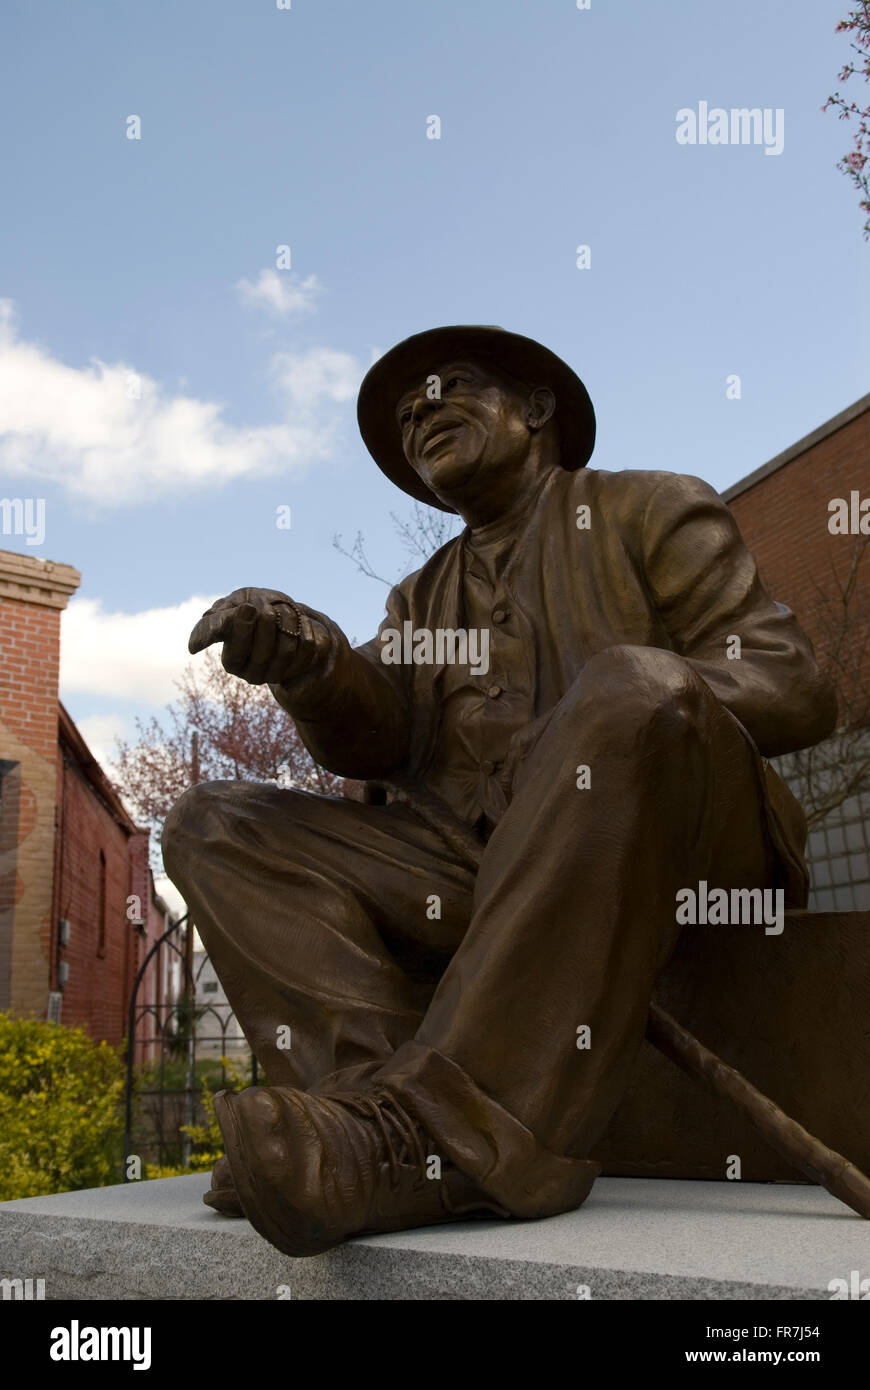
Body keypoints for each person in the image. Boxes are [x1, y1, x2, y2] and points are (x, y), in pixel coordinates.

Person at [162, 325, 836, 1258]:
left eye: (448, 389)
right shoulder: (418, 597)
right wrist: (312, 666)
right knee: (213, 822)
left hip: (680, 854)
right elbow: (379, 735)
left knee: (631, 685)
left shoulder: (650, 509)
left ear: (536, 409)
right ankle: (366, 1122)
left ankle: (456, 1142)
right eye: (406, 414)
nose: (422, 413)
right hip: (477, 870)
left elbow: (790, 681)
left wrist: (591, 730)